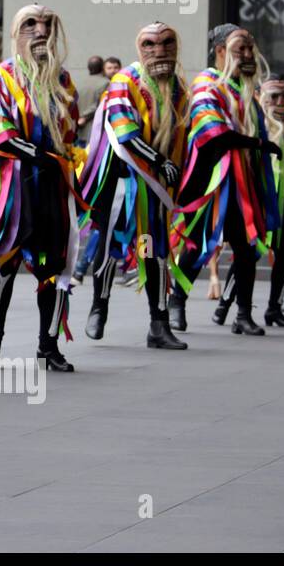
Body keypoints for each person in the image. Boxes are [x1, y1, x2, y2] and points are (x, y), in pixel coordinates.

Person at [0, 4, 82, 372]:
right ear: (16, 33)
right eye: (30, 24)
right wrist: (40, 154)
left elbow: (70, 135)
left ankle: (48, 347)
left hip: (52, 187)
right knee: (3, 265)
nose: (40, 30)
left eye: (47, 24)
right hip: (13, 186)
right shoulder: (2, 73)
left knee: (54, 267)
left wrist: (60, 163)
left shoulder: (64, 80)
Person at [80, 22, 188, 349]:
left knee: (152, 252)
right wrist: (161, 162)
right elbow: (124, 133)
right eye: (150, 44)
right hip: (121, 184)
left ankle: (158, 324)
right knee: (111, 247)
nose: (160, 51)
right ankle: (99, 306)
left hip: (155, 190)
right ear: (139, 48)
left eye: (167, 43)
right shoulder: (123, 82)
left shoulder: (180, 87)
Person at [168, 24, 280, 336]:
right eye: (240, 48)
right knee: (197, 243)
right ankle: (176, 301)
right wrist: (258, 145)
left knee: (246, 248)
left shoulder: (243, 89)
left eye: (250, 48)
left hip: (245, 183)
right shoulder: (207, 83)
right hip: (212, 183)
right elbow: (213, 133)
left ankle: (243, 314)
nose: (248, 54)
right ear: (220, 51)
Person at [213, 75, 284, 328]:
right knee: (247, 254)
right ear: (261, 97)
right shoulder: (254, 126)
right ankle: (225, 303)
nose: (280, 102)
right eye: (274, 96)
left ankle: (274, 308)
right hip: (259, 200)